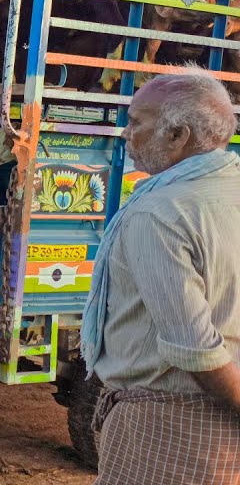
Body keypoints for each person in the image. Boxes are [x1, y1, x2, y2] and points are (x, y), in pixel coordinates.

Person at [81, 68, 240, 483]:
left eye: (136, 122)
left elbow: (196, 352)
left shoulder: (160, 213)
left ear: (178, 136)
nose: (124, 133)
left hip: (168, 428)